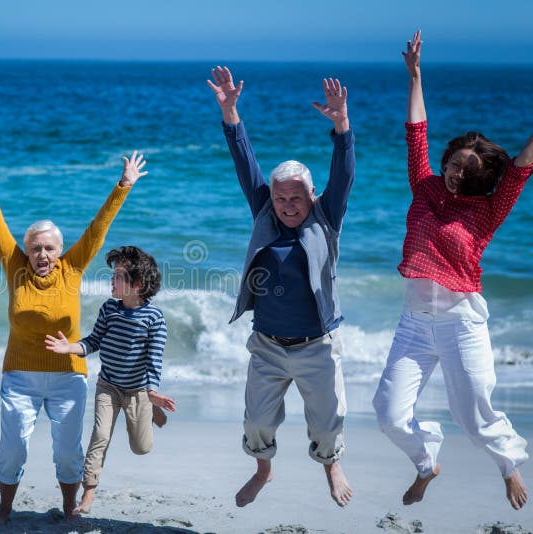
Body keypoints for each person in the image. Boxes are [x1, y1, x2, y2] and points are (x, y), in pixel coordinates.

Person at [372, 31, 532, 511]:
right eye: (453, 163)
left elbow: (522, 167)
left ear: (481, 178)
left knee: (473, 416)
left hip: (462, 322)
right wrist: (416, 75)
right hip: (415, 322)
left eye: (466, 170)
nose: (455, 173)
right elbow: (415, 132)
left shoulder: (488, 211)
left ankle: (509, 465)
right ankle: (427, 464)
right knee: (387, 414)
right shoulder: (422, 186)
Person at [0, 139, 146, 521]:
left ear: (60, 250)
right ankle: (4, 508)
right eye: (36, 248)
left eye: (50, 248)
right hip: (20, 376)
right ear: (27, 250)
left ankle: (69, 507)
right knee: (14, 446)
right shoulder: (14, 267)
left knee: (68, 451)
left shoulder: (73, 267)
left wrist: (124, 184)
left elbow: (98, 229)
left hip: (68, 377)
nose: (43, 256)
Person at [207, 67, 355, 507]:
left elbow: (343, 175)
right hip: (268, 345)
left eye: (296, 198)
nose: (288, 206)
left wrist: (341, 127)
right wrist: (231, 114)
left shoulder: (326, 218)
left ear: (312, 196)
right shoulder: (263, 214)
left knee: (328, 426)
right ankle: (263, 471)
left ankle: (332, 465)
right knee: (256, 424)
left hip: (317, 346)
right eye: (280, 198)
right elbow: (245, 164)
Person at [45, 245, 177, 515]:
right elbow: (93, 341)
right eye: (113, 275)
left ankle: (152, 411)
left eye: (118, 276)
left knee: (141, 448)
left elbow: (154, 360)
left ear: (137, 284)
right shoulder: (109, 309)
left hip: (139, 390)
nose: (111, 280)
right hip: (108, 386)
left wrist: (152, 393)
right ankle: (88, 493)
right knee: (100, 436)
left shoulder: (154, 319)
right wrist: (69, 347)